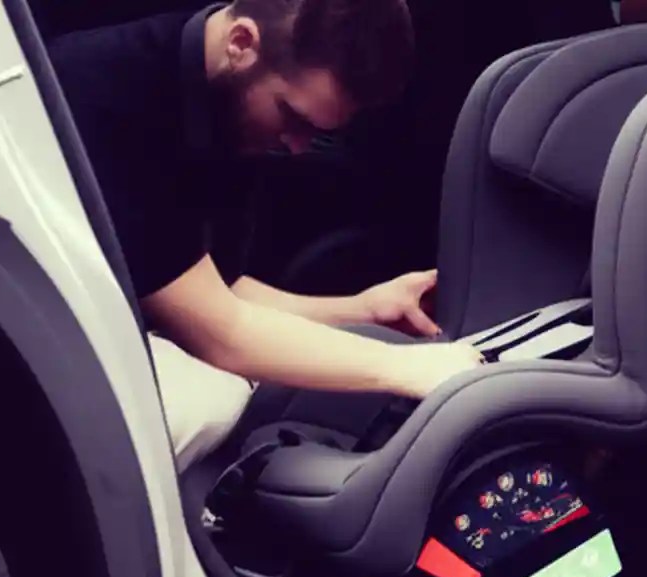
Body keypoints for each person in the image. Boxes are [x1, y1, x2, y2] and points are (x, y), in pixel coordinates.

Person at [49, 0, 484, 471]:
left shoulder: (228, 106)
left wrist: (362, 309)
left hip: (109, 331)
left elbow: (220, 289)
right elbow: (221, 333)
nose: (298, 147)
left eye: (316, 133)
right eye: (293, 118)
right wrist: (405, 369)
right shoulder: (106, 93)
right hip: (37, 352)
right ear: (242, 44)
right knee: (213, 400)